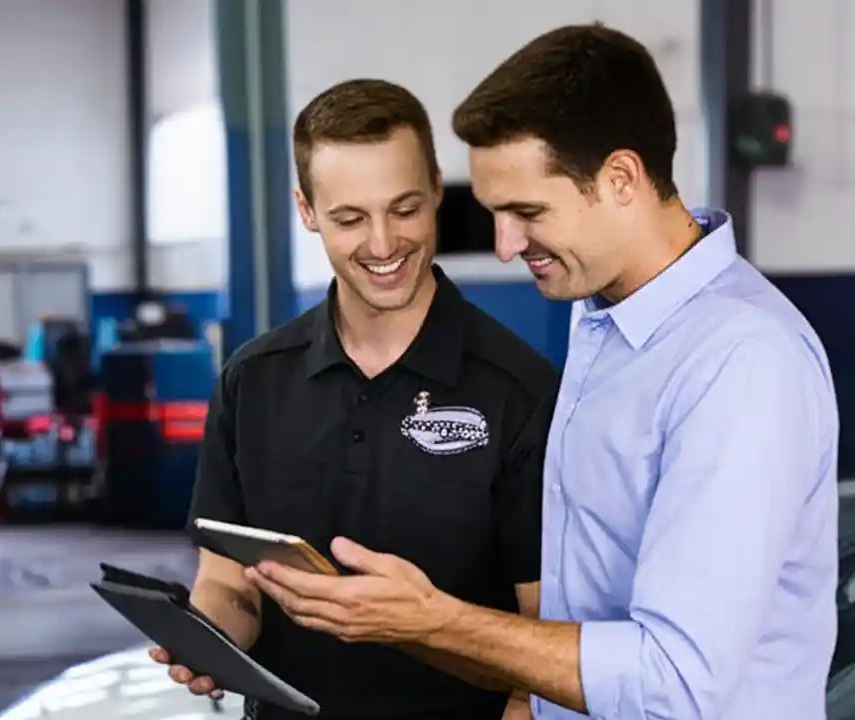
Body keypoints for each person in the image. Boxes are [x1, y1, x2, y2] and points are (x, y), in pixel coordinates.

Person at [246, 22, 840, 720]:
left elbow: (675, 682)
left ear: (619, 179)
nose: (504, 246)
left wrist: (432, 620)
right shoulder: (606, 322)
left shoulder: (742, 362)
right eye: (496, 214)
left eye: (527, 212)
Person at [149, 78, 559, 719]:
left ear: (434, 191)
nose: (382, 243)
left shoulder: (520, 392)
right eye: (349, 218)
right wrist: (210, 639)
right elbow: (230, 583)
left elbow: (541, 640)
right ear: (307, 210)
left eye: (405, 209)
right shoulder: (252, 381)